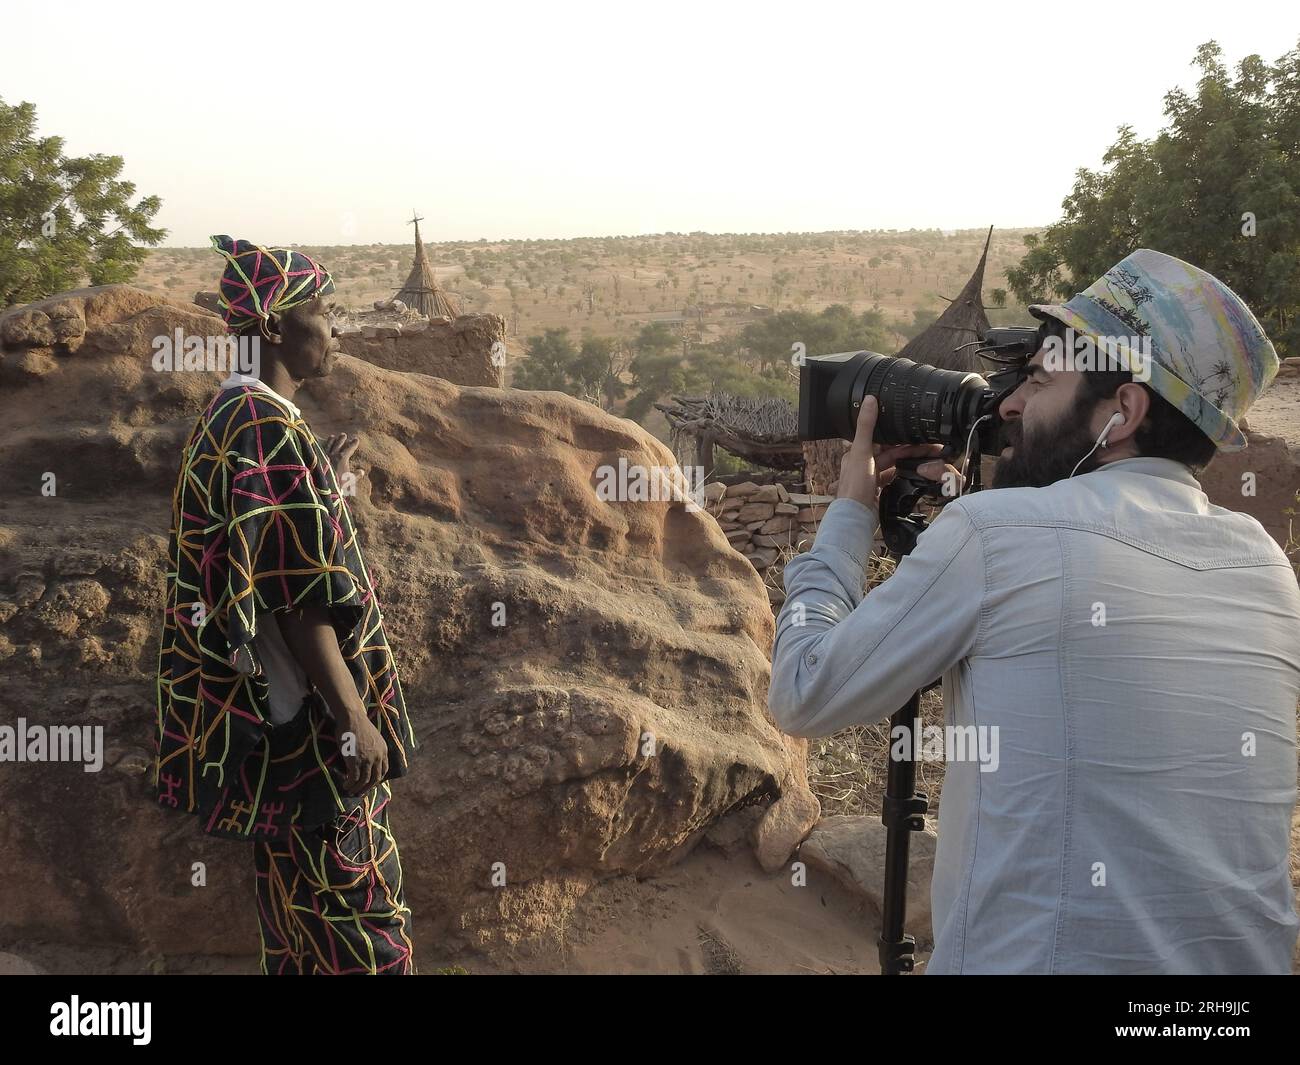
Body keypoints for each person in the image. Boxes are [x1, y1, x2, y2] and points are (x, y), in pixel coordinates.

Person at [769, 248, 1300, 974]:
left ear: (1124, 412)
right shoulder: (1267, 565)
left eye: (1043, 379)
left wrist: (850, 516)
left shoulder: (994, 537)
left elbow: (803, 691)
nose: (1012, 404)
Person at [154, 235, 418, 974]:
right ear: (274, 327)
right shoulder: (269, 431)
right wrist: (355, 718)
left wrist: (318, 488)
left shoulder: (226, 424)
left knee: (298, 936)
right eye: (323, 312)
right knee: (367, 936)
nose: (335, 329)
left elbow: (261, 549)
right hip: (316, 744)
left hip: (267, 745)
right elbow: (302, 601)